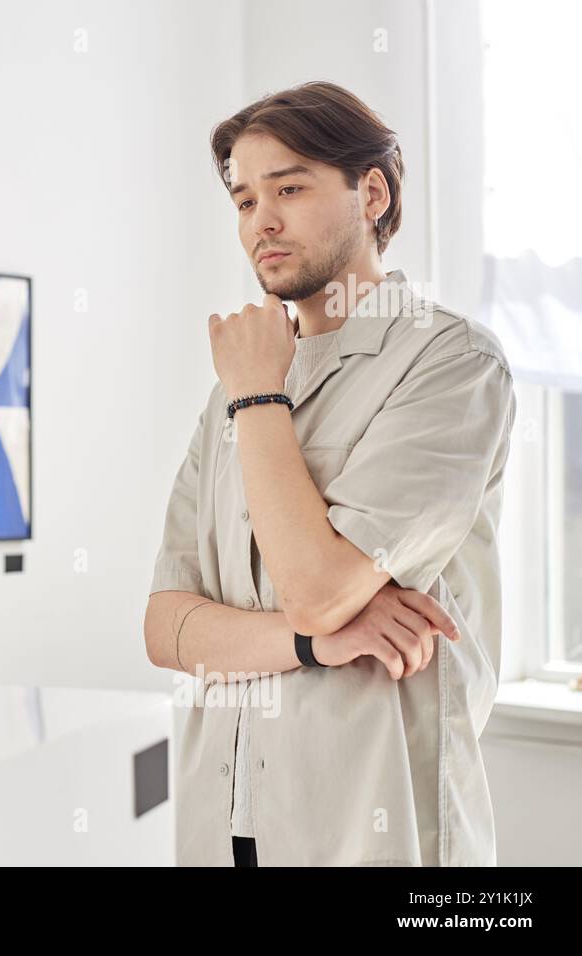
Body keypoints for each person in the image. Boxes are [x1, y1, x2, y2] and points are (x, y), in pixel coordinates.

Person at [143, 82, 516, 866]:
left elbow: (318, 588)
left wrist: (256, 395)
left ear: (370, 192)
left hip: (371, 826)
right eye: (244, 200)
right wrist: (313, 644)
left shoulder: (452, 364)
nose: (261, 222)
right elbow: (167, 629)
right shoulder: (235, 394)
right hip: (223, 821)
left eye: (290, 188)